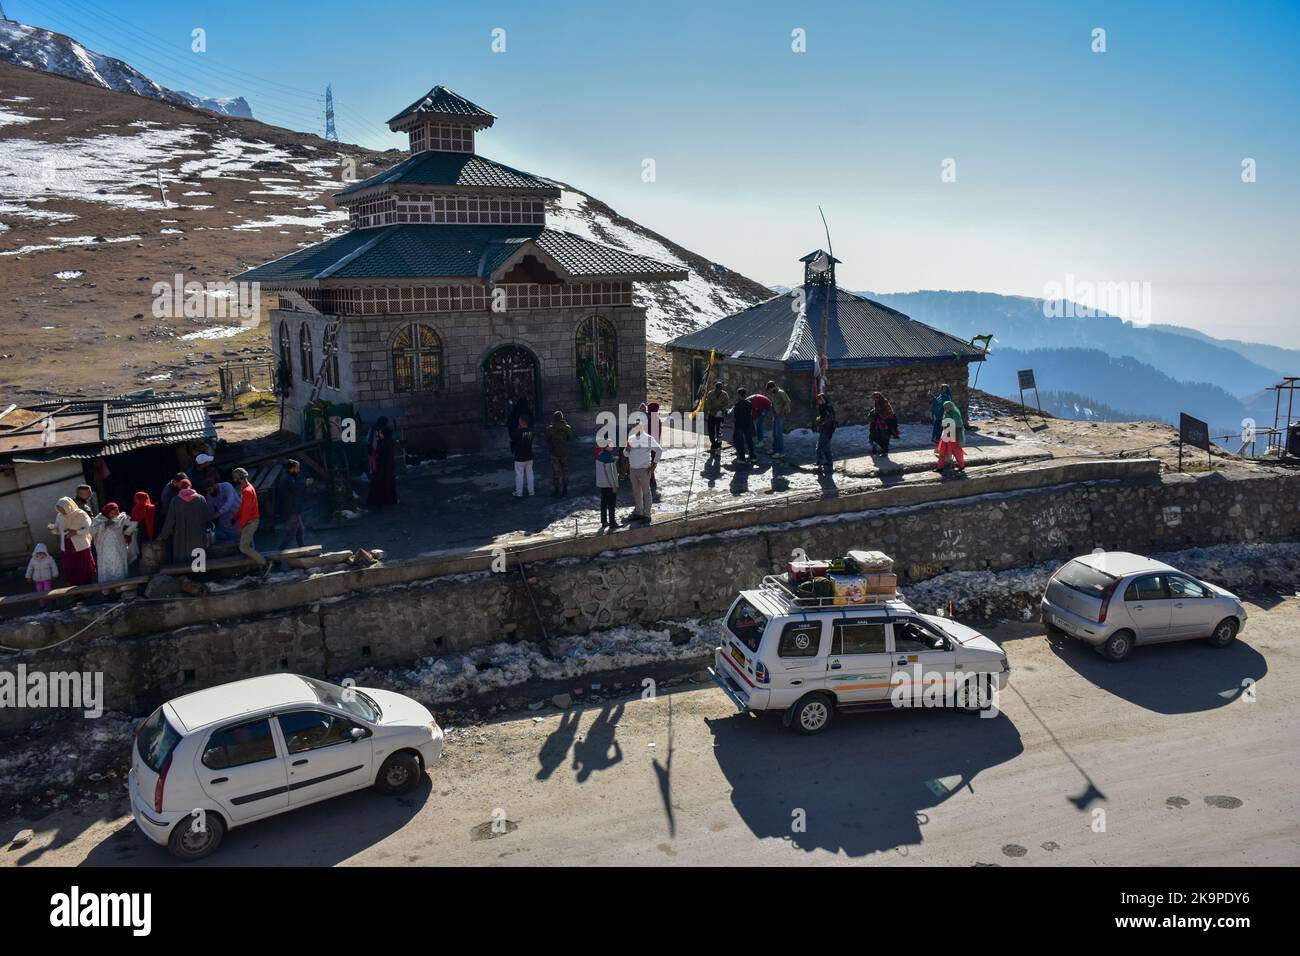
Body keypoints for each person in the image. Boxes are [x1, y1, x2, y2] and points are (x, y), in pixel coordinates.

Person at [157, 479, 212, 566]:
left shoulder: (175, 501)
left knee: (182, 561)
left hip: (181, 536)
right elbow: (207, 517)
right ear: (190, 486)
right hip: (198, 534)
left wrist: (163, 535)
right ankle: (200, 576)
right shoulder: (200, 498)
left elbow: (170, 521)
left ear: (180, 488)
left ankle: (184, 576)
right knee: (198, 559)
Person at [624, 414, 662, 522]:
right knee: (636, 492)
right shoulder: (631, 438)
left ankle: (647, 514)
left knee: (646, 491)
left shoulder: (649, 439)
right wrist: (627, 449)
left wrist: (654, 464)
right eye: (634, 427)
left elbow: (659, 450)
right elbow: (626, 454)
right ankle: (638, 512)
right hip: (633, 469)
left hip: (644, 469)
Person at [49, 496, 95, 586]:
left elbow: (91, 528)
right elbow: (59, 531)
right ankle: (75, 591)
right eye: (59, 509)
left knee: (83, 568)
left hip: (81, 546)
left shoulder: (80, 514)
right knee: (71, 568)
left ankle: (88, 588)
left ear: (67, 506)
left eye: (62, 509)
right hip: (67, 547)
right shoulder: (60, 516)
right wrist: (53, 529)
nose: (60, 511)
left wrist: (76, 532)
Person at [232, 467, 267, 571]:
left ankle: (264, 563)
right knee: (248, 546)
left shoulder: (247, 491)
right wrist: (236, 517)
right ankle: (255, 566)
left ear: (238, 479)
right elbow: (242, 507)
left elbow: (246, 512)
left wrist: (241, 526)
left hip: (250, 522)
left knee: (243, 547)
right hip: (251, 520)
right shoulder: (247, 488)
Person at [91, 502, 136, 584]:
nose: (113, 515)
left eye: (115, 513)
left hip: (118, 547)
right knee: (106, 567)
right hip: (104, 550)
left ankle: (120, 588)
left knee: (118, 566)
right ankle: (106, 591)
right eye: (111, 513)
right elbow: (92, 530)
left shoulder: (121, 518)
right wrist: (104, 524)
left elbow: (134, 523)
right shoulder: (99, 519)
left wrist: (126, 533)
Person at [274, 459, 312, 550]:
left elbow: (296, 485)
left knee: (300, 530)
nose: (298, 470)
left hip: (294, 508)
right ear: (292, 469)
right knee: (291, 533)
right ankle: (278, 553)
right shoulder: (287, 478)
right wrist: (305, 483)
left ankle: (303, 549)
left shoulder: (289, 477)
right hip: (290, 509)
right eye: (297, 468)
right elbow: (295, 489)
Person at [367, 417, 399, 506]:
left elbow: (379, 441)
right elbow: (382, 441)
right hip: (386, 455)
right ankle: (388, 498)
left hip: (382, 456)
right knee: (387, 477)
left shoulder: (378, 430)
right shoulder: (383, 430)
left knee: (379, 477)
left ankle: (379, 498)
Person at [544, 410, 573, 497]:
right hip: (564, 452)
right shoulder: (567, 427)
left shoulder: (550, 429)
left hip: (554, 453)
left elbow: (547, 439)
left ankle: (557, 491)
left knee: (556, 473)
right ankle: (565, 490)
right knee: (565, 472)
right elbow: (570, 437)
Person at [595, 439, 621, 531]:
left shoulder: (600, 455)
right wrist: (614, 485)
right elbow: (610, 473)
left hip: (602, 484)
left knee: (604, 503)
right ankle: (612, 522)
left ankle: (604, 521)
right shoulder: (608, 458)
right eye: (611, 444)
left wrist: (614, 459)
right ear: (606, 446)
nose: (613, 445)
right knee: (611, 504)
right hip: (609, 484)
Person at [935, 399, 967, 474]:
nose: (945, 409)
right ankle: (940, 467)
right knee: (942, 451)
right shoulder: (945, 414)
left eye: (946, 407)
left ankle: (961, 466)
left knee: (957, 452)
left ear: (950, 407)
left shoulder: (956, 415)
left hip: (953, 436)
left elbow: (959, 426)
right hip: (945, 435)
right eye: (944, 407)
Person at [25, 543, 58, 608]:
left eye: (42, 553)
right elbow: (30, 568)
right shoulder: (33, 560)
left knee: (47, 590)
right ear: (35, 553)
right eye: (38, 553)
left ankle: (52, 599)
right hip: (37, 579)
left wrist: (55, 574)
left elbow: (54, 566)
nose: (40, 555)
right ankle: (42, 605)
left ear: (45, 553)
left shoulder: (49, 559)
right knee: (39, 591)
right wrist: (28, 576)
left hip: (47, 578)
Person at [766, 380, 791, 459]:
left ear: (773, 387)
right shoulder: (774, 393)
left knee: (778, 434)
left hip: (780, 415)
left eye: (770, 389)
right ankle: (775, 450)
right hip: (775, 416)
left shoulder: (781, 392)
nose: (770, 391)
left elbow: (788, 401)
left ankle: (781, 452)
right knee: (774, 434)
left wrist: (782, 411)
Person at [703, 382, 731, 451]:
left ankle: (718, 445)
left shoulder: (725, 394)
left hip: (720, 416)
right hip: (712, 415)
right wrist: (714, 410)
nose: (719, 390)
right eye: (717, 389)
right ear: (715, 388)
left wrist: (722, 409)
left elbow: (726, 404)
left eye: (720, 389)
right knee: (711, 431)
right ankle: (713, 444)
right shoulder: (710, 394)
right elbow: (707, 404)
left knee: (720, 432)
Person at [814, 393, 836, 477]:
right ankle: (829, 462)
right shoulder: (821, 407)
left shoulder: (829, 407)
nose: (819, 401)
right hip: (823, 429)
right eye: (818, 400)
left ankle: (820, 462)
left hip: (828, 429)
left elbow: (831, 418)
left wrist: (822, 420)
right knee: (826, 447)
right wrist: (819, 419)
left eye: (820, 399)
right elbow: (823, 416)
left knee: (820, 446)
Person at [732, 387, 756, 463]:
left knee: (740, 442)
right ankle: (753, 457)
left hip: (739, 425)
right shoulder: (749, 403)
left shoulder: (737, 405)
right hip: (748, 424)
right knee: (749, 441)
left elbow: (735, 416)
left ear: (739, 395)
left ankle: (742, 458)